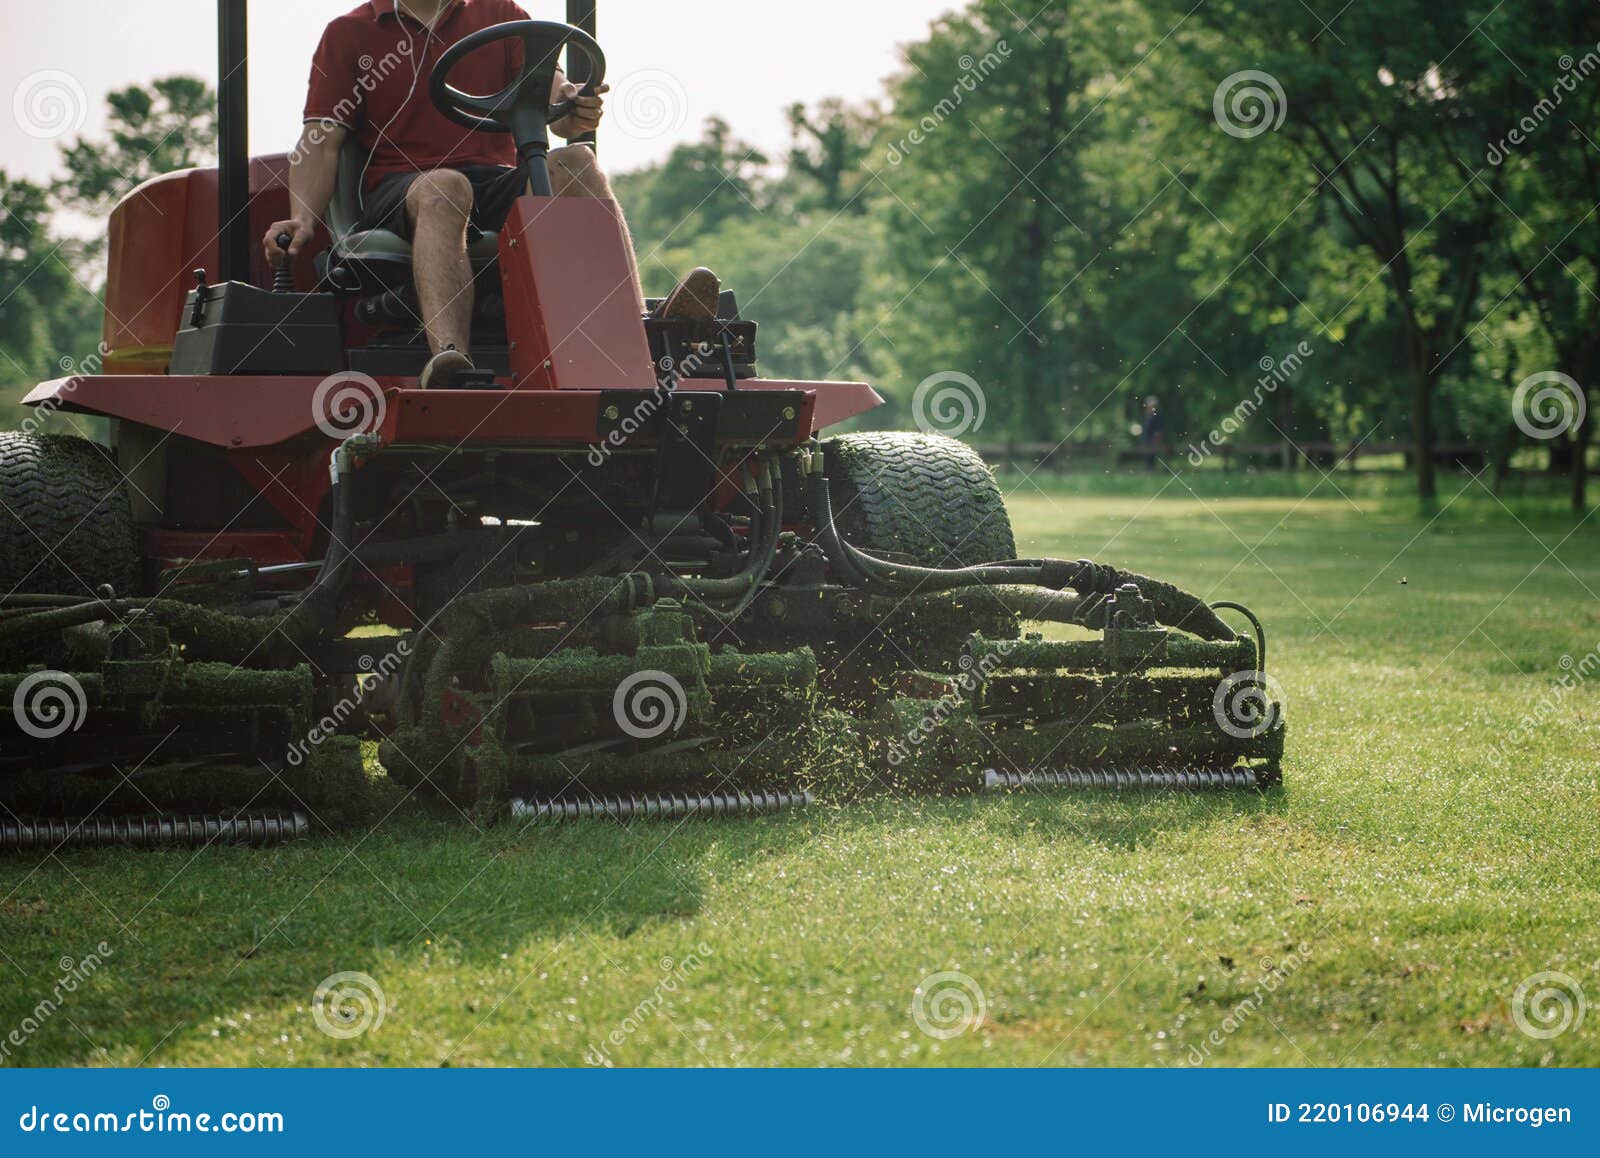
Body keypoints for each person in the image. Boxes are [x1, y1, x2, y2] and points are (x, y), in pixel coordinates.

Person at [264, 0, 719, 388]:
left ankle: (640, 333)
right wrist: (302, 219)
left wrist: (572, 103)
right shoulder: (350, 34)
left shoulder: (499, 13)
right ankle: (447, 359)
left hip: (494, 180)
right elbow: (321, 139)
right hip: (400, 188)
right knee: (447, 186)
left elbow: (554, 98)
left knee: (575, 162)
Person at [1139, 395, 1165, 470]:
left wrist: (1156, 440)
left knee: (1151, 456)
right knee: (1147, 457)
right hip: (1147, 439)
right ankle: (1149, 470)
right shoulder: (1147, 415)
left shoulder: (1156, 415)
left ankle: (1151, 471)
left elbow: (1158, 429)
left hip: (1152, 440)